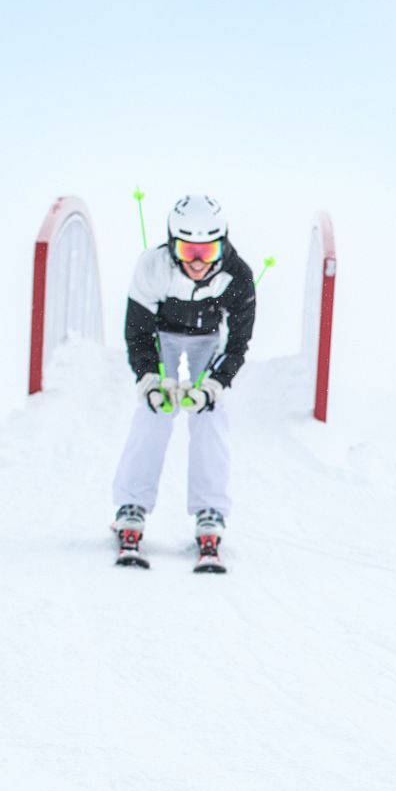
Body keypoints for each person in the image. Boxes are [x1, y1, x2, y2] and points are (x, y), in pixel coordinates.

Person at [110, 194, 256, 571]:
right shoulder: (152, 267)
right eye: (187, 250)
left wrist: (215, 383)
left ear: (222, 244)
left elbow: (238, 342)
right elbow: (138, 333)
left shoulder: (237, 276)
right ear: (171, 245)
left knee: (210, 413)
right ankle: (132, 505)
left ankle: (210, 512)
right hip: (163, 336)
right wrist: (149, 378)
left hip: (209, 339)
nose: (196, 262)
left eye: (206, 253)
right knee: (154, 410)